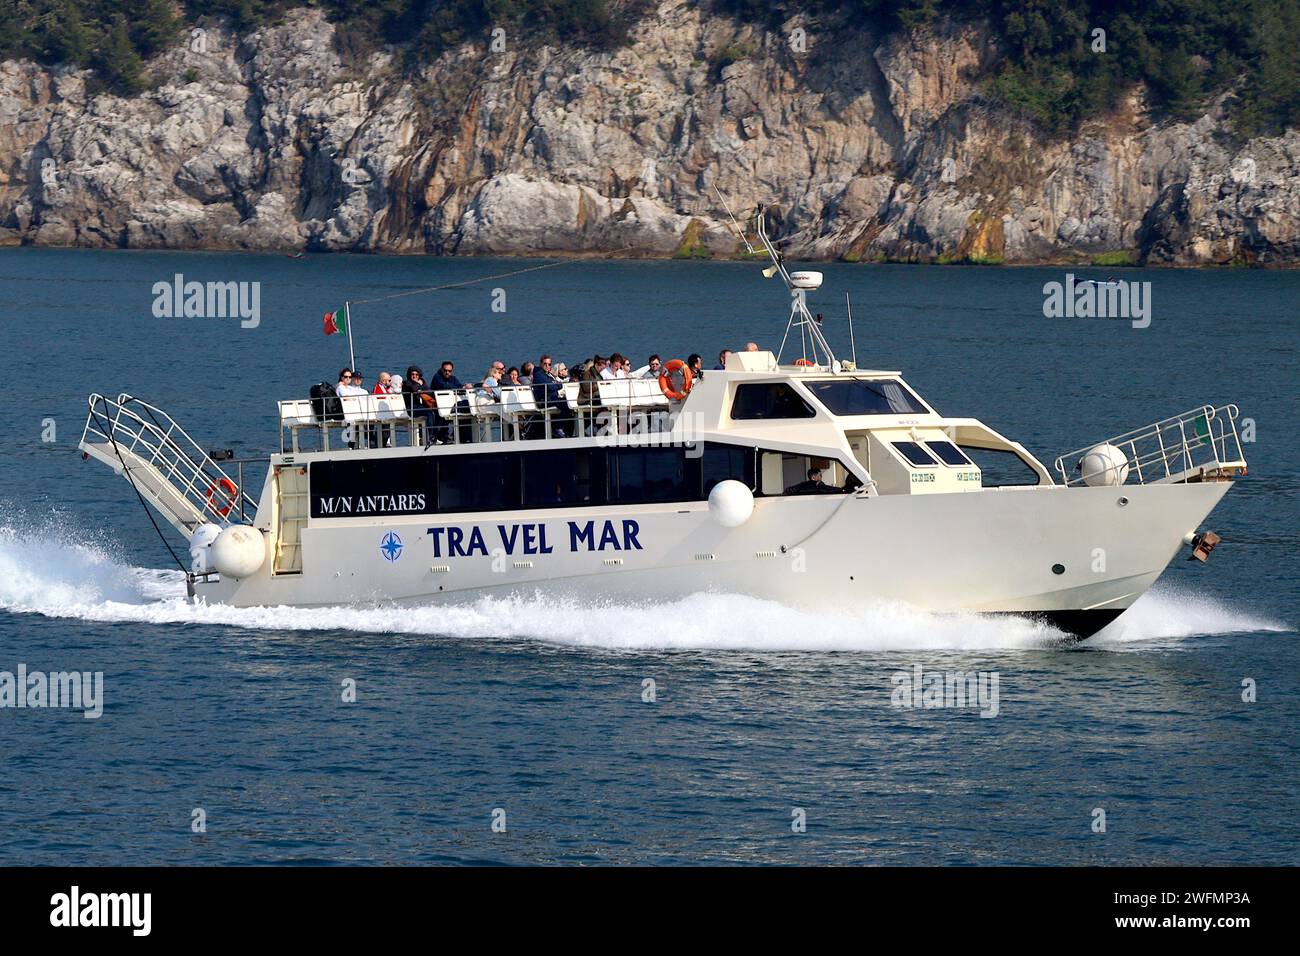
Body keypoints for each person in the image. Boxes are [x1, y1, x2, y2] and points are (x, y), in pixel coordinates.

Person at [531, 354, 569, 439]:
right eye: (545, 364)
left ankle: (564, 430)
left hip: (551, 398)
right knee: (566, 404)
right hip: (543, 400)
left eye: (549, 364)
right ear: (541, 363)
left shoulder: (546, 374)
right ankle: (558, 428)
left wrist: (554, 384)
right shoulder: (538, 374)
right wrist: (554, 384)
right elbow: (551, 386)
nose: (547, 366)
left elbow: (558, 385)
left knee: (569, 403)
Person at [403, 365, 435, 446]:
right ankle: (431, 436)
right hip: (411, 409)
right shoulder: (407, 383)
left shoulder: (421, 382)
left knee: (436, 412)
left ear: (419, 376)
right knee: (429, 412)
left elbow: (430, 392)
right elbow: (413, 389)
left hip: (419, 407)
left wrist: (422, 384)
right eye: (412, 374)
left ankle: (437, 435)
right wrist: (419, 384)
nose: (414, 376)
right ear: (409, 375)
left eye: (417, 375)